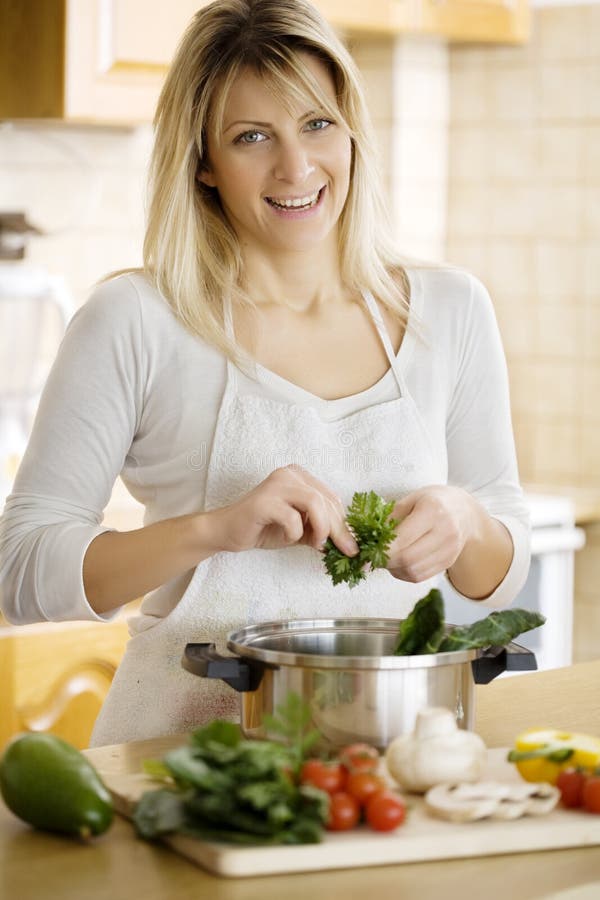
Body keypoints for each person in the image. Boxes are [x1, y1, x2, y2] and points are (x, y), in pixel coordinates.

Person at [0, 0, 530, 746]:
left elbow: (496, 574)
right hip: (180, 763)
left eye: (317, 124)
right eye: (253, 137)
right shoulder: (135, 319)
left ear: (351, 131)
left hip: (386, 760)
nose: (296, 167)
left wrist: (466, 520)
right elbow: (21, 572)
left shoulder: (451, 309)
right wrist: (215, 529)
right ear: (204, 163)